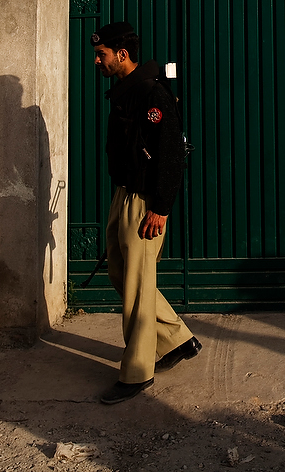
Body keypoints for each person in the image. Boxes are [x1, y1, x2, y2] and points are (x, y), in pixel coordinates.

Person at [93, 21, 201, 404]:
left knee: (138, 289)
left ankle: (136, 373)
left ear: (122, 54)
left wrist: (161, 208)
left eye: (102, 54)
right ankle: (177, 340)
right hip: (123, 195)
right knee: (122, 275)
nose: (96, 61)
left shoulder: (152, 94)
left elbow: (172, 154)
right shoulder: (125, 92)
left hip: (144, 202)